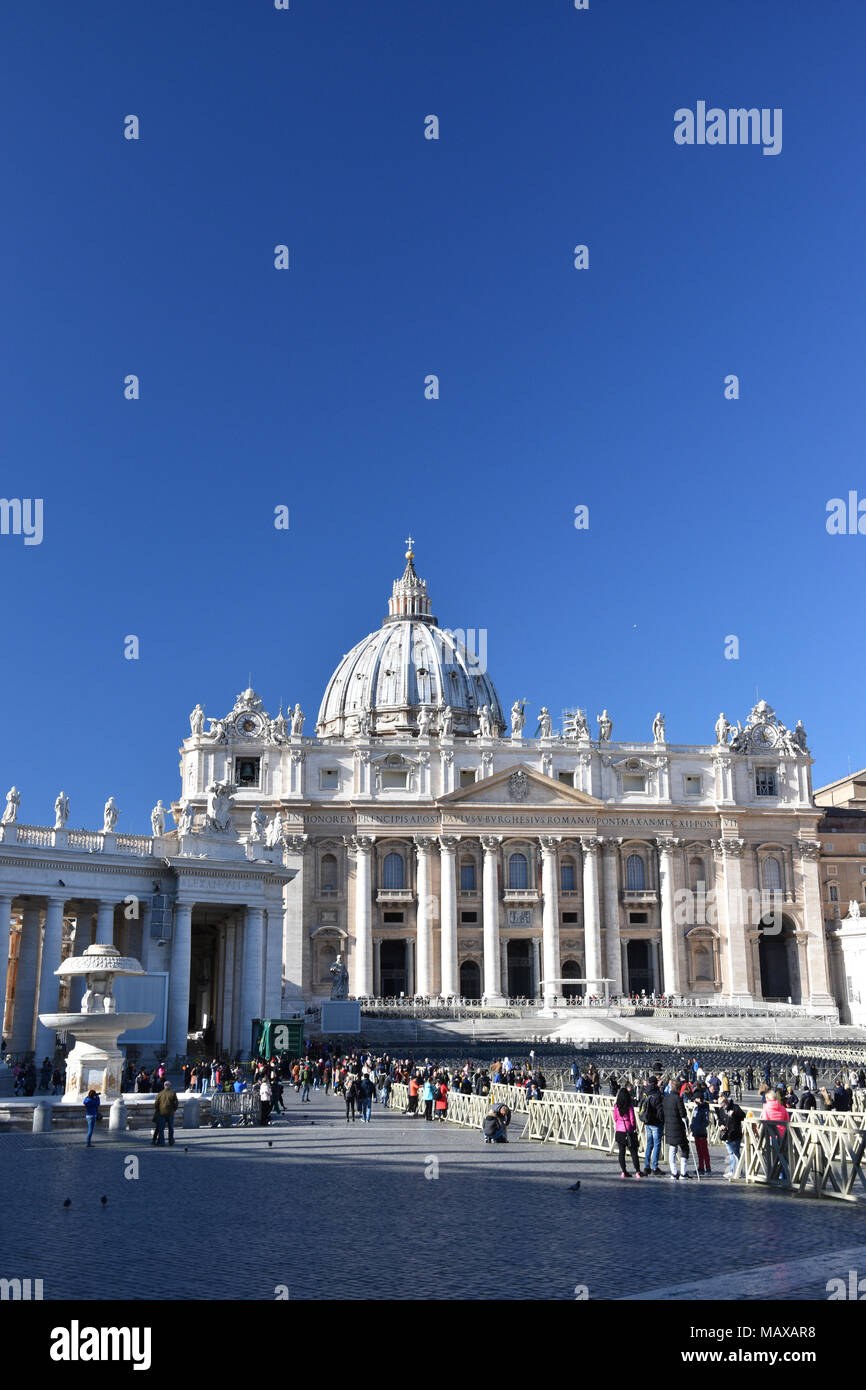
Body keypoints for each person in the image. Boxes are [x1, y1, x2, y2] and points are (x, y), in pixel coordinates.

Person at [663, 1082, 692, 1180]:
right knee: (684, 1148)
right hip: (678, 1127)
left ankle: (674, 1172)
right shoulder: (678, 1099)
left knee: (672, 1148)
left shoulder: (666, 1098)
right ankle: (683, 1172)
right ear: (679, 1089)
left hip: (669, 1126)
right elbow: (682, 1113)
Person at [613, 1086, 643, 1180]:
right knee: (633, 1152)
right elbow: (632, 1119)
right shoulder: (629, 1105)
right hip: (628, 1130)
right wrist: (634, 1127)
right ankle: (637, 1171)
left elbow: (615, 1118)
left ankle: (623, 1171)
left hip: (619, 1130)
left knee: (621, 1152)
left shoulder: (616, 1106)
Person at [716, 1096, 746, 1179]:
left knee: (736, 1153)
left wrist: (734, 1114)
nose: (722, 1107)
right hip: (726, 1134)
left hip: (735, 1133)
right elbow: (720, 1120)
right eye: (721, 1106)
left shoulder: (735, 1107)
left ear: (726, 1103)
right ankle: (733, 1171)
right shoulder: (721, 1110)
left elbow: (743, 1116)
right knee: (731, 1153)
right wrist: (720, 1125)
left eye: (723, 1105)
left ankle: (739, 1171)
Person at [640, 1077, 664, 1175]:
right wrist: (662, 1121)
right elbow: (660, 1110)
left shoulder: (645, 1092)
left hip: (647, 1121)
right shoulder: (657, 1094)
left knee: (649, 1144)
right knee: (657, 1144)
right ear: (655, 1083)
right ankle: (654, 1167)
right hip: (656, 1122)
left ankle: (646, 1166)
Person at [690, 1092, 712, 1174]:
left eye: (695, 1099)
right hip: (696, 1132)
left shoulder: (704, 1109)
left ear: (699, 1099)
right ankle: (701, 1167)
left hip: (702, 1133)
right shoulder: (696, 1108)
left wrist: (699, 1127)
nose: (694, 1101)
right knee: (699, 1151)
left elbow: (706, 1121)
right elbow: (693, 1119)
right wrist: (692, 1125)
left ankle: (708, 1167)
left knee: (704, 1151)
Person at [154, 1081, 179, 1145]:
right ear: (169, 1086)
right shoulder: (172, 1093)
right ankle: (171, 1141)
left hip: (161, 1113)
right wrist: (174, 1110)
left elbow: (156, 1104)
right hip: (170, 1113)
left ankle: (162, 1142)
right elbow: (176, 1103)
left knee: (161, 1129)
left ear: (164, 1086)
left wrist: (158, 1110)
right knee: (170, 1128)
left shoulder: (160, 1094)